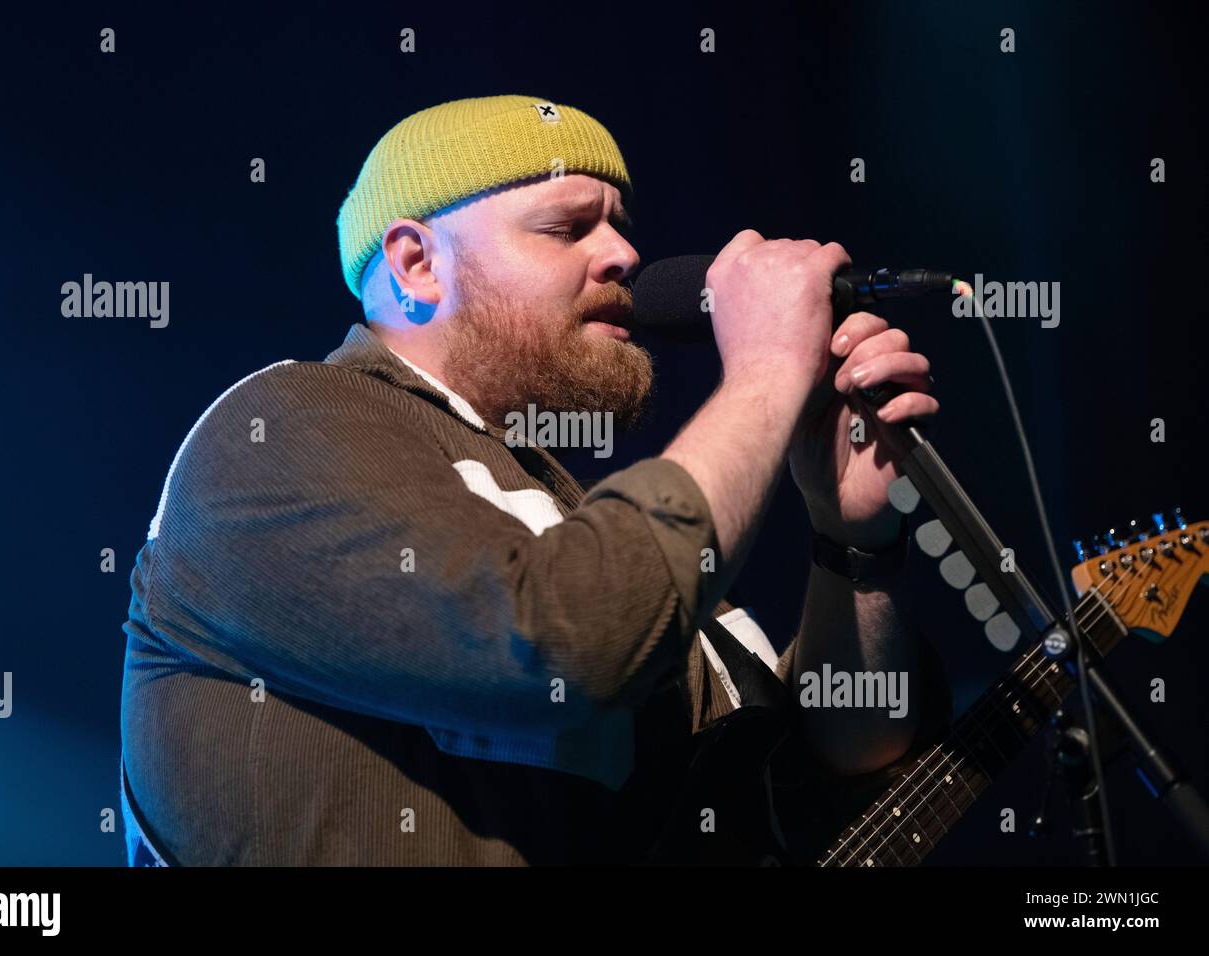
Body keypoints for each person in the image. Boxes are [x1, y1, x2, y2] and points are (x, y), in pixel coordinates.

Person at [119, 94, 950, 865]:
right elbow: (566, 641)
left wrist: (850, 540)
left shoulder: (582, 520)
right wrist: (767, 374)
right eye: (567, 226)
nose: (624, 253)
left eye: (621, 224)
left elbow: (836, 765)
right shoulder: (280, 427)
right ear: (417, 266)